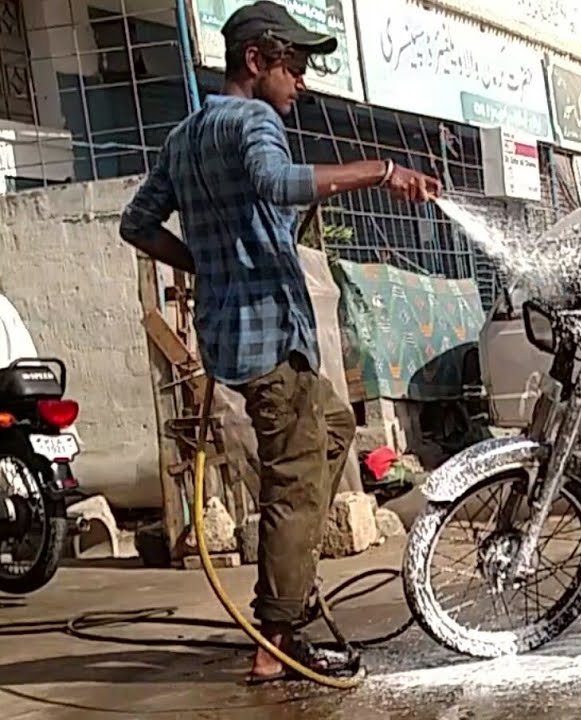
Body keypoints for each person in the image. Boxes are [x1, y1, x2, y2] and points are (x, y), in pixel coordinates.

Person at [117, 0, 441, 684]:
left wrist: (205, 263)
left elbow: (137, 223)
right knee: (294, 485)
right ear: (257, 62)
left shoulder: (186, 135)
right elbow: (276, 181)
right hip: (270, 341)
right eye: (293, 67)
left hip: (231, 339)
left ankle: (288, 587)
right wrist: (382, 172)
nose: (300, 84)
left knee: (332, 425)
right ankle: (277, 641)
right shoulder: (254, 120)